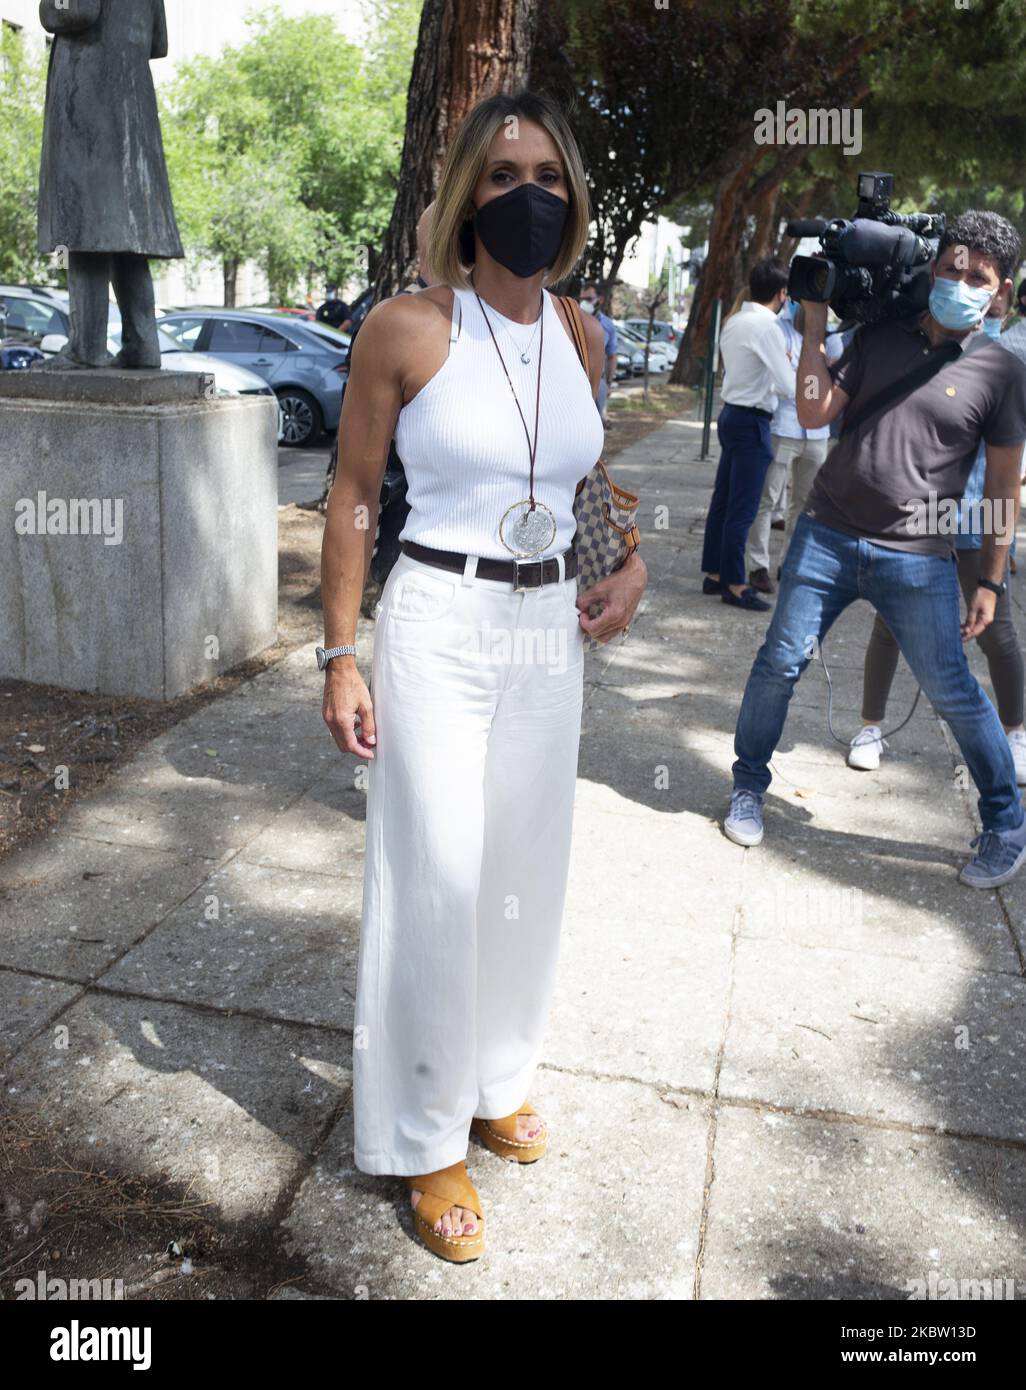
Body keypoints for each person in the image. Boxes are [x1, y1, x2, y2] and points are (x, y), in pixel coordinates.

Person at [319, 89, 647, 1262]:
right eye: (504, 176)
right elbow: (354, 500)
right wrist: (340, 652)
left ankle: (496, 1077)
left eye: (548, 177)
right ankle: (422, 1137)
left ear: (575, 203)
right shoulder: (409, 328)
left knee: (525, 864)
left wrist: (630, 563)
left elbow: (580, 479)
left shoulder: (583, 335)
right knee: (437, 879)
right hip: (438, 624)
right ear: (466, 195)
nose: (528, 197)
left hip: (544, 626)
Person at [723, 210, 1026, 889]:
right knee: (779, 663)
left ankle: (1006, 822)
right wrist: (811, 325)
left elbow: (1004, 487)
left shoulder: (1002, 372)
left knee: (954, 693)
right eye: (950, 267)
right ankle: (748, 786)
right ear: (932, 266)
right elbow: (811, 411)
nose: (958, 282)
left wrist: (991, 583)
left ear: (1000, 292)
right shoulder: (881, 335)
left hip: (920, 558)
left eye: (976, 277)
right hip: (826, 535)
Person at [849, 283, 1026, 782]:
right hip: (918, 516)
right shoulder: (923, 343)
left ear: (1005, 292)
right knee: (889, 625)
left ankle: (1015, 734)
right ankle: (870, 728)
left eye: (984, 281)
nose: (968, 290)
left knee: (997, 631)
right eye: (957, 276)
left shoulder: (1008, 350)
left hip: (976, 517)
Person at [701, 257, 795, 611]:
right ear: (782, 293)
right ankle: (736, 585)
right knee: (743, 507)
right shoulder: (769, 327)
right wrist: (786, 362)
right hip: (753, 420)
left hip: (730, 414)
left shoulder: (736, 319)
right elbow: (787, 386)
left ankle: (714, 574)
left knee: (723, 501)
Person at [745, 299, 843, 593]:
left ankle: (789, 562)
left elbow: (837, 379)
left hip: (817, 434)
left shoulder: (832, 338)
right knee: (766, 499)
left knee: (804, 504)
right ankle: (757, 565)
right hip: (783, 427)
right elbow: (780, 381)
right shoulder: (779, 331)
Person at [579, 282, 618, 422]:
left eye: (588, 299)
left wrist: (608, 382)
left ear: (599, 300)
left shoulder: (607, 325)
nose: (584, 303)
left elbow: (612, 356)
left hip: (597, 381)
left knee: (596, 422)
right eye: (581, 299)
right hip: (573, 380)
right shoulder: (572, 319)